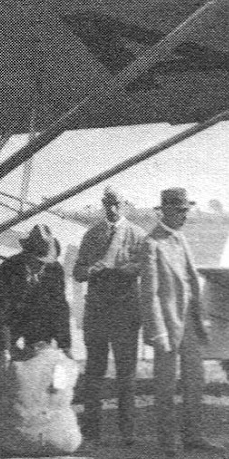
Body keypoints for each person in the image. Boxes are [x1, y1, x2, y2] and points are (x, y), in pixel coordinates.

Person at [0, 223, 73, 452]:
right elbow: (1, 313)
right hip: (7, 325)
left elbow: (60, 308)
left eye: (43, 262)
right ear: (26, 255)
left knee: (40, 380)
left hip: (37, 327)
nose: (40, 265)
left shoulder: (55, 270)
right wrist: (6, 349)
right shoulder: (9, 268)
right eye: (36, 261)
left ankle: (34, 435)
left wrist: (65, 345)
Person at [140, 187, 217, 455]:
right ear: (166, 211)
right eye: (180, 211)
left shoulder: (181, 239)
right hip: (169, 326)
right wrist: (158, 333)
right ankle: (167, 441)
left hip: (190, 325)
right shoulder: (152, 243)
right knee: (166, 385)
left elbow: (192, 284)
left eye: (187, 210)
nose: (185, 216)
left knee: (195, 381)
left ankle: (193, 436)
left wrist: (202, 320)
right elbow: (149, 295)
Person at [71, 186, 145, 444]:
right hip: (99, 311)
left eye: (116, 204)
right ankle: (91, 430)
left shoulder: (138, 234)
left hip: (125, 312)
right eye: (107, 204)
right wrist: (92, 269)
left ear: (125, 205)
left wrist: (127, 269)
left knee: (126, 375)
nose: (111, 209)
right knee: (94, 372)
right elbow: (78, 272)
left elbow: (146, 267)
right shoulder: (92, 234)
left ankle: (128, 431)